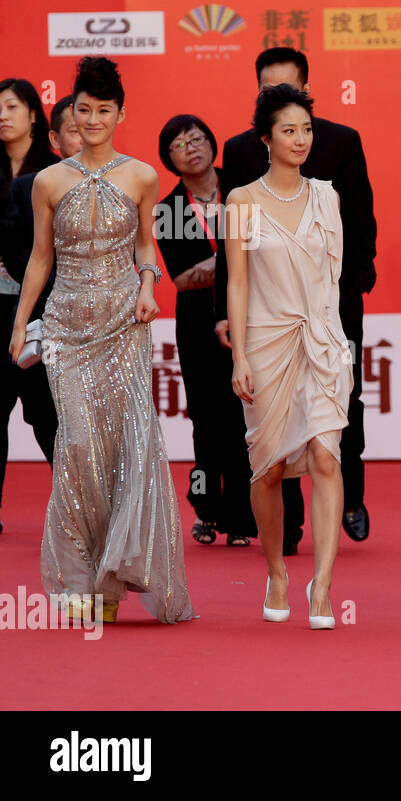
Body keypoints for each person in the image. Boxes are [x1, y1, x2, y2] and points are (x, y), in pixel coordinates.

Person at [6, 56, 194, 623]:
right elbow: (41, 258)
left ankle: (111, 586)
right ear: (69, 112)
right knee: (79, 448)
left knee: (126, 452)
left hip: (124, 324)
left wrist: (147, 284)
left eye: (103, 111)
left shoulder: (141, 176)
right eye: (82, 110)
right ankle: (80, 576)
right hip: (65, 326)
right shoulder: (47, 180)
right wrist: (20, 324)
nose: (91, 120)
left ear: (120, 114)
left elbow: (145, 246)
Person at [214, 47, 377, 553]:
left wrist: (347, 293)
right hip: (270, 315)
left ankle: (350, 495)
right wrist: (227, 312)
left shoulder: (342, 141)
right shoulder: (240, 152)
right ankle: (290, 527)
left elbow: (361, 222)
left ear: (307, 88)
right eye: (268, 88)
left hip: (334, 308)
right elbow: (234, 252)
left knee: (341, 404)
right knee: (278, 424)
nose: (298, 138)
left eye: (291, 90)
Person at [225, 84, 351, 629]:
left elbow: (333, 277)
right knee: (270, 467)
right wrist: (239, 357)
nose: (300, 139)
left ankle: (321, 588)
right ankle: (277, 570)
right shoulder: (240, 201)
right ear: (265, 139)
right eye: (288, 130)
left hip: (322, 341)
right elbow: (236, 282)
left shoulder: (328, 196)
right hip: (267, 343)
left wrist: (335, 338)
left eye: (306, 129)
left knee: (325, 456)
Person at [154, 113, 256, 547]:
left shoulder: (243, 190)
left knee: (244, 419)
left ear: (213, 145)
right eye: (179, 144)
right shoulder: (166, 210)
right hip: (197, 325)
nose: (191, 148)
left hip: (249, 319)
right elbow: (180, 278)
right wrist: (234, 259)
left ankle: (243, 517)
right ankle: (205, 509)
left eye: (197, 139)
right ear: (169, 160)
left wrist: (223, 264)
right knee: (205, 421)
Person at [0, 79, 61, 536]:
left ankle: (75, 509)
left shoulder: (54, 172)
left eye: (11, 106)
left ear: (34, 115)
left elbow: (54, 249)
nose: (3, 115)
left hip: (43, 313)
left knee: (48, 417)